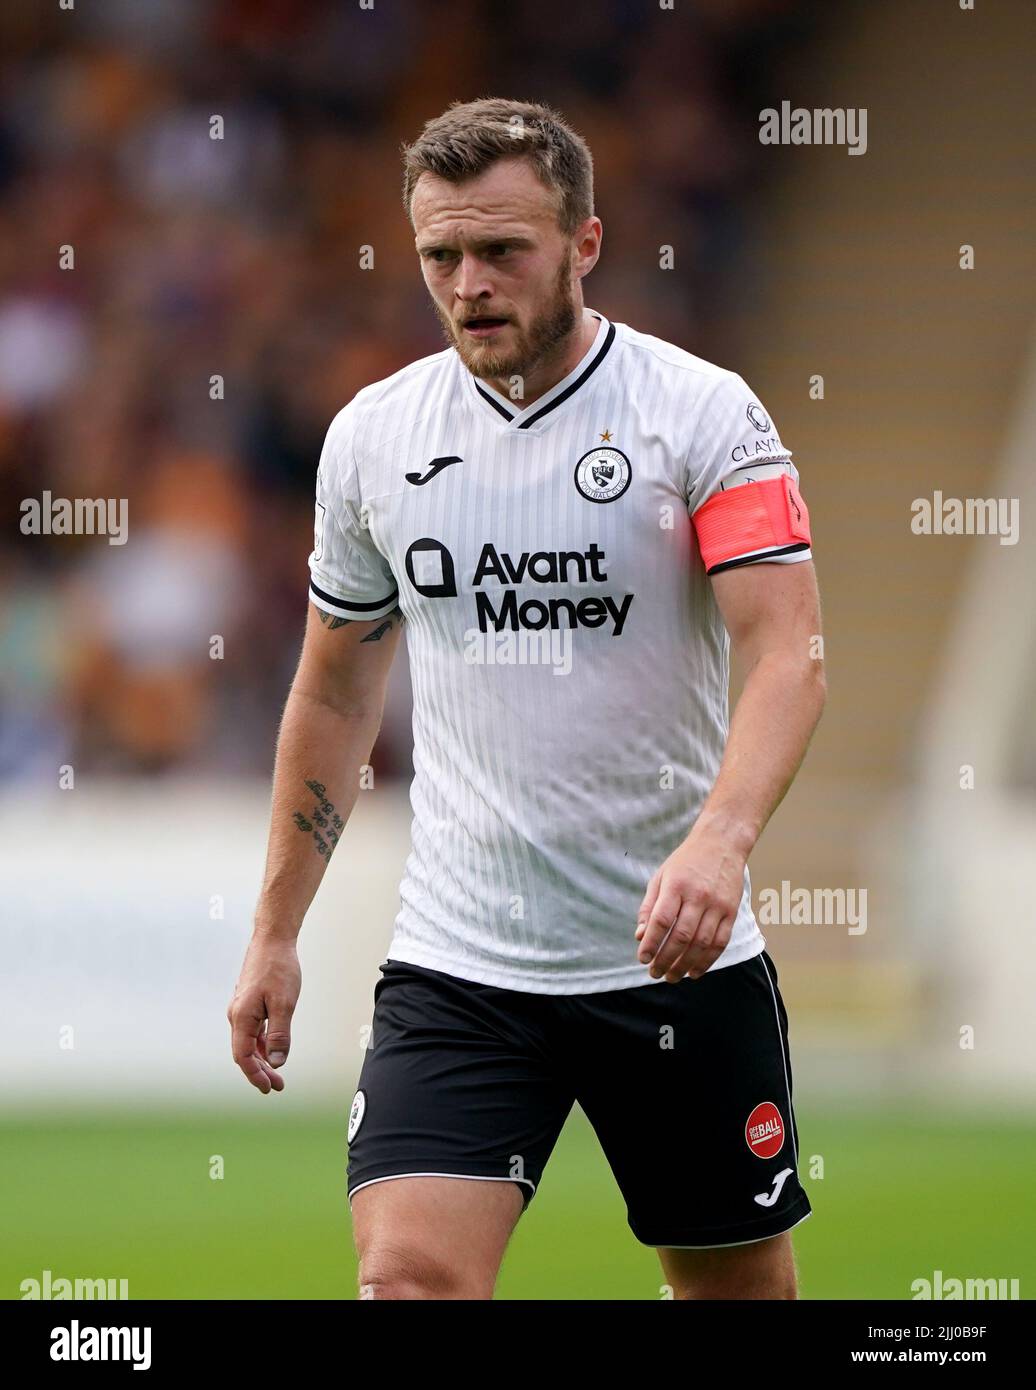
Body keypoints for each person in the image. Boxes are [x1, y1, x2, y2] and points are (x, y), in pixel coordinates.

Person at [228, 97, 826, 1301]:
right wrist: (275, 930)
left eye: (503, 249)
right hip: (462, 965)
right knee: (407, 1281)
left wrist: (719, 840)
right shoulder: (373, 440)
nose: (468, 283)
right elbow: (336, 694)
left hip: (672, 963)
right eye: (440, 255)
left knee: (735, 1293)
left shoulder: (704, 415)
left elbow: (787, 655)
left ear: (585, 244)